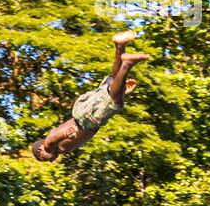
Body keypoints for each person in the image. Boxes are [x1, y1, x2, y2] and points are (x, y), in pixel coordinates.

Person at [31, 31, 150, 163]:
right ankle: (120, 46)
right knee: (114, 81)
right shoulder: (57, 144)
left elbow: (51, 139)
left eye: (43, 159)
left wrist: (65, 134)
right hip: (84, 111)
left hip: (86, 120)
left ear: (41, 149)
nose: (51, 160)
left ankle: (127, 64)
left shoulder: (50, 146)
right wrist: (121, 90)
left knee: (115, 103)